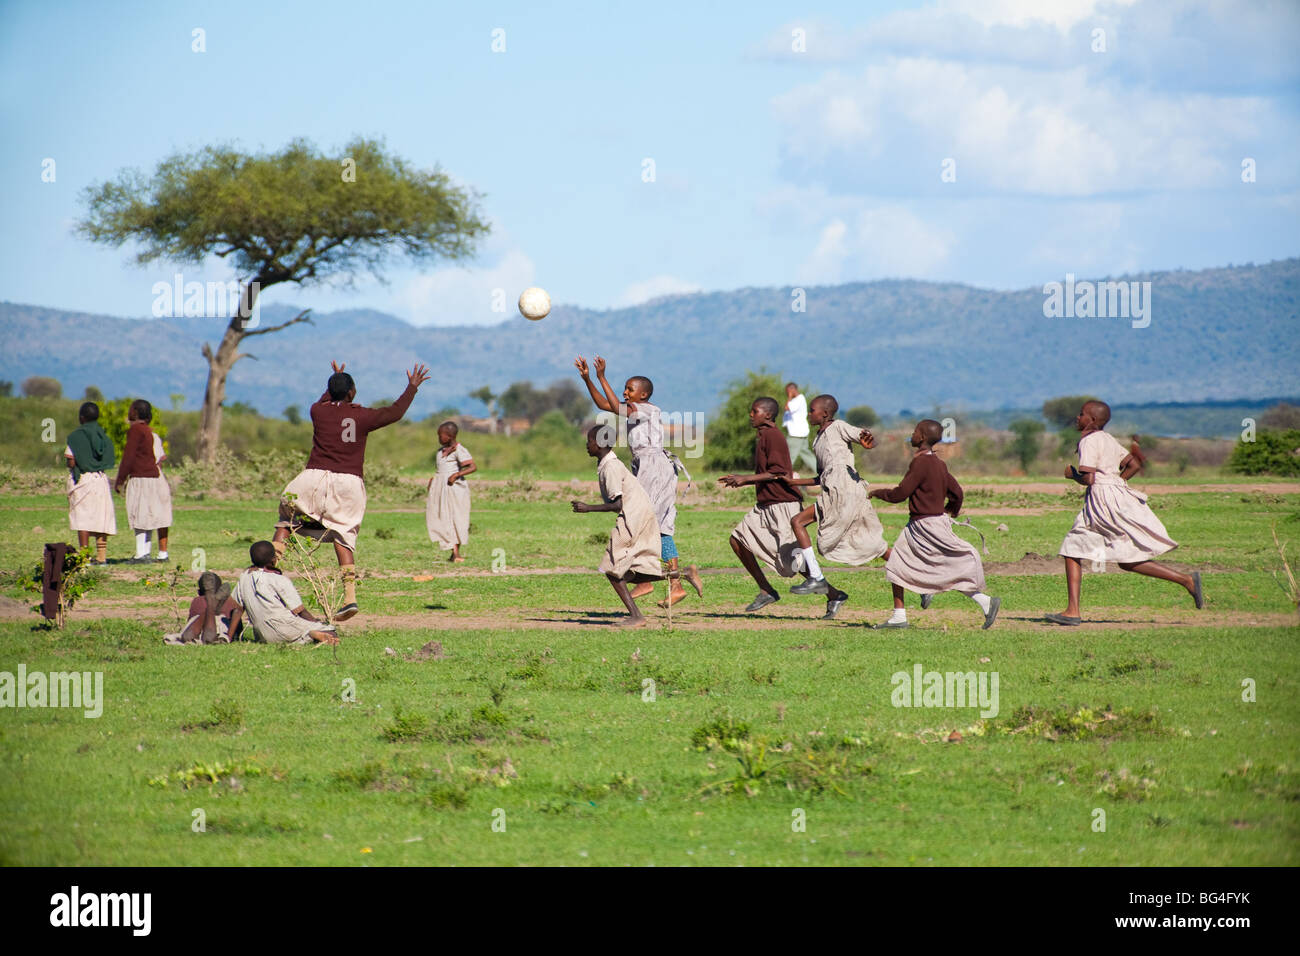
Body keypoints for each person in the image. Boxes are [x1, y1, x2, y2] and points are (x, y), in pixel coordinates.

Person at [274, 360, 431, 620]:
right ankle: (349, 598)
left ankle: (266, 571)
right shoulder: (363, 415)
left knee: (285, 522)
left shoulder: (317, 411)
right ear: (352, 393)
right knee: (343, 534)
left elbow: (325, 400)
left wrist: (334, 380)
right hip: (348, 482)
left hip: (312, 479)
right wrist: (411, 387)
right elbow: (395, 412)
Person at [1047, 400, 1203, 625]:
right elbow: (1134, 465)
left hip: (1101, 500)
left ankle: (1073, 611)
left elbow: (1089, 478)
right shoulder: (1108, 439)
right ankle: (1186, 580)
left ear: (1091, 420)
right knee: (1126, 559)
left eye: (1081, 414)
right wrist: (1116, 483)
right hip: (1116, 496)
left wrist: (1073, 475)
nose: (1077, 418)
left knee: (1072, 549)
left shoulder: (1089, 441)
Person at [575, 355, 703, 607]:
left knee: (650, 522)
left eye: (629, 389)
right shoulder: (634, 408)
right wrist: (588, 379)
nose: (624, 392)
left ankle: (673, 582)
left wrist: (602, 377)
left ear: (642, 395)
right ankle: (647, 578)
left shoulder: (646, 409)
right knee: (646, 522)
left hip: (656, 469)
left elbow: (617, 406)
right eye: (624, 388)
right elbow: (604, 404)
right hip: (645, 466)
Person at [869, 419, 1000, 629]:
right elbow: (956, 492)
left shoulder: (920, 463)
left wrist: (877, 493)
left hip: (922, 526)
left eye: (914, 431)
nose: (911, 434)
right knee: (938, 566)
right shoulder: (939, 463)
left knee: (896, 563)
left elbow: (900, 494)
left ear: (921, 437)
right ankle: (984, 602)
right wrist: (950, 512)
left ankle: (899, 616)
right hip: (934, 522)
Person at [787, 394, 890, 618]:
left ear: (825, 413)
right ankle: (915, 576)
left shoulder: (838, 427)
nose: (808, 414)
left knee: (798, 522)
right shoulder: (817, 439)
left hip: (845, 491)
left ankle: (817, 578)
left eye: (812, 410)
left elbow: (861, 436)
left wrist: (867, 440)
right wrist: (793, 481)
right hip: (833, 491)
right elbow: (821, 476)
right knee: (872, 544)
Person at [719, 396, 814, 612]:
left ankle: (833, 593)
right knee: (737, 539)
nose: (750, 415)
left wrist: (745, 479)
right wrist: (743, 478)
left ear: (768, 415)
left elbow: (779, 473)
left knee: (791, 560)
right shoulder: (763, 436)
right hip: (765, 504)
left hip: (783, 503)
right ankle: (766, 590)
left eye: (755, 411)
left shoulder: (774, 436)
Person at [571, 425, 665, 627]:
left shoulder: (611, 467)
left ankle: (636, 616)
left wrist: (588, 508)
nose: (587, 445)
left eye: (589, 441)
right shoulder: (607, 464)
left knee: (613, 568)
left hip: (633, 515)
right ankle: (680, 574)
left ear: (600, 443)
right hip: (638, 512)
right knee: (633, 567)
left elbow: (618, 504)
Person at [231, 541, 338, 645]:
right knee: (331, 631)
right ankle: (311, 633)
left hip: (263, 635)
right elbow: (300, 611)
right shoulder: (279, 579)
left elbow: (237, 609)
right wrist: (315, 623)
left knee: (292, 635)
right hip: (285, 628)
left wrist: (230, 636)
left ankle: (308, 635)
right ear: (274, 559)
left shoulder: (244, 577)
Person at [113, 399, 172, 564]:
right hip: (153, 477)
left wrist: (120, 479)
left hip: (140, 477)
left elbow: (129, 456)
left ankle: (141, 554)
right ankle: (145, 552)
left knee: (139, 513)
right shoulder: (148, 430)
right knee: (147, 514)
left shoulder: (136, 430)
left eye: (131, 409)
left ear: (136, 412)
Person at [64, 401, 116, 565]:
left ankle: (84, 556)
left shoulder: (76, 437)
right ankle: (102, 556)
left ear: (81, 418)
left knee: (83, 518)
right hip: (101, 479)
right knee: (101, 517)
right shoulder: (103, 435)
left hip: (83, 480)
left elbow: (71, 461)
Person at [426, 421, 476, 561]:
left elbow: (472, 467)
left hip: (454, 488)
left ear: (449, 436)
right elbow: (440, 470)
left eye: (440, 435)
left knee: (456, 518)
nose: (438, 438)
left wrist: (456, 475)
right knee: (442, 517)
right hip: (440, 488)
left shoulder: (459, 450)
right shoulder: (440, 451)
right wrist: (433, 480)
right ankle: (453, 552)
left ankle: (456, 553)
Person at [163, 571, 244, 645]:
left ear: (199, 592)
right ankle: (212, 606)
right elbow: (238, 627)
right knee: (235, 613)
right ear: (219, 590)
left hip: (196, 623)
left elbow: (190, 619)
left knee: (190, 631)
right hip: (219, 626)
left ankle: (210, 606)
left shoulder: (197, 601)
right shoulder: (230, 601)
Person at [782, 383, 817, 477]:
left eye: (787, 391)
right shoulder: (798, 400)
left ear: (791, 390)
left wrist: (789, 396)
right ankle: (819, 470)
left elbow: (787, 407)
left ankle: (785, 473)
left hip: (796, 434)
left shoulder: (799, 399)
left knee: (788, 454)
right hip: (801, 432)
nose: (787, 394)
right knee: (806, 453)